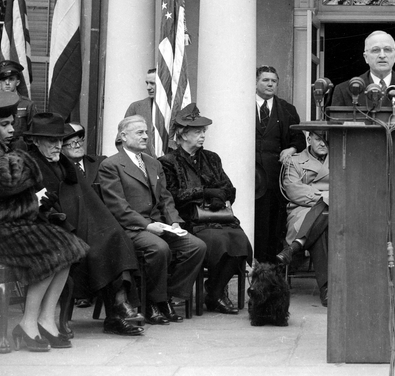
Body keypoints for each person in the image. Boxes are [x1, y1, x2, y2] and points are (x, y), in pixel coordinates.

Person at [0, 93, 88, 351]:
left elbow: (2, 190)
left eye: (12, 123)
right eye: (5, 124)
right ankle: (28, 323)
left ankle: (45, 320)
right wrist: (25, 160)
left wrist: (32, 201)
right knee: (53, 250)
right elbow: (3, 182)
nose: (12, 129)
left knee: (68, 247)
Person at [27, 113, 144, 336]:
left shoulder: (63, 164)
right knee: (97, 247)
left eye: (60, 140)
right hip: (53, 228)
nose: (58, 146)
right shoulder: (30, 164)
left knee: (115, 238)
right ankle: (115, 311)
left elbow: (91, 203)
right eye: (52, 141)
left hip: (80, 225)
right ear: (35, 141)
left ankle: (118, 309)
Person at [98, 116, 206, 325]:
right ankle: (151, 303)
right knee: (159, 248)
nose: (145, 136)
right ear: (123, 136)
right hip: (131, 228)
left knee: (196, 246)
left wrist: (174, 221)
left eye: (146, 132)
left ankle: (167, 297)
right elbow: (118, 207)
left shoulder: (153, 163)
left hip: (159, 224)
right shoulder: (111, 165)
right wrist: (147, 225)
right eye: (140, 132)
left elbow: (165, 198)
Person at [160, 104, 252, 315]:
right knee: (219, 241)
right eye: (197, 132)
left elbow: (229, 189)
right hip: (190, 220)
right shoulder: (168, 162)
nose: (203, 136)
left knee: (240, 241)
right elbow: (172, 195)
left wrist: (220, 196)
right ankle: (216, 293)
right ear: (183, 135)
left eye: (204, 131)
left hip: (218, 217)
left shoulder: (212, 158)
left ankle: (214, 290)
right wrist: (205, 192)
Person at [254, 65, 306, 262]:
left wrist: (291, 149)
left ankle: (270, 268)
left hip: (275, 176)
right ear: (255, 82)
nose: (270, 84)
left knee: (273, 223)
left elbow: (299, 139)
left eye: (273, 81)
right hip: (248, 175)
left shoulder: (287, 109)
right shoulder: (241, 105)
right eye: (265, 80)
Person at [277, 130, 330, 307]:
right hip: (302, 210)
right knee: (324, 219)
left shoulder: (341, 157)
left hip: (334, 211)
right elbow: (294, 191)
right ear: (309, 139)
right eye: (318, 139)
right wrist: (326, 196)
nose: (323, 143)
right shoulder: (295, 161)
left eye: (326, 140)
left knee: (325, 219)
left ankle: (296, 245)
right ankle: (327, 288)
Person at [330, 30, 395, 109]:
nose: (382, 55)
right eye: (375, 50)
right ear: (366, 57)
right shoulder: (344, 90)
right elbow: (335, 128)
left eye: (387, 50)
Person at [0, 60, 36, 142]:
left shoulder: (27, 105)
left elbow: (33, 133)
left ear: (17, 82)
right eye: (3, 79)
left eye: (11, 79)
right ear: (0, 82)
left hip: (20, 147)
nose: (7, 83)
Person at [125, 68, 157, 157]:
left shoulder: (174, 110)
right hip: (141, 161)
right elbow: (121, 139)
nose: (148, 87)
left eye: (152, 83)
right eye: (147, 83)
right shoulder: (136, 107)